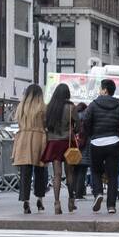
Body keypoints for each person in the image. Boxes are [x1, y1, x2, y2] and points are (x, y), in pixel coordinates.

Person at [82, 79, 119, 213]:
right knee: (113, 175)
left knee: (96, 171)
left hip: (96, 142)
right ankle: (111, 206)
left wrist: (89, 135)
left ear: (105, 90)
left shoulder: (93, 105)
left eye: (100, 88)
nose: (99, 91)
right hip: (113, 142)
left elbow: (85, 122)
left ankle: (98, 193)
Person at [41, 82, 79, 214]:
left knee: (57, 174)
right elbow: (78, 126)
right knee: (69, 173)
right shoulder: (71, 107)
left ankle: (57, 203)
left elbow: (44, 125)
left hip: (53, 142)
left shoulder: (49, 107)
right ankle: (71, 200)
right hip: (67, 142)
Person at [12, 84, 48, 214]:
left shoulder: (21, 107)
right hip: (38, 138)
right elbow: (46, 124)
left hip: (23, 138)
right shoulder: (43, 107)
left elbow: (18, 122)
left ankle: (25, 200)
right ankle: (40, 198)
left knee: (25, 172)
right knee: (40, 171)